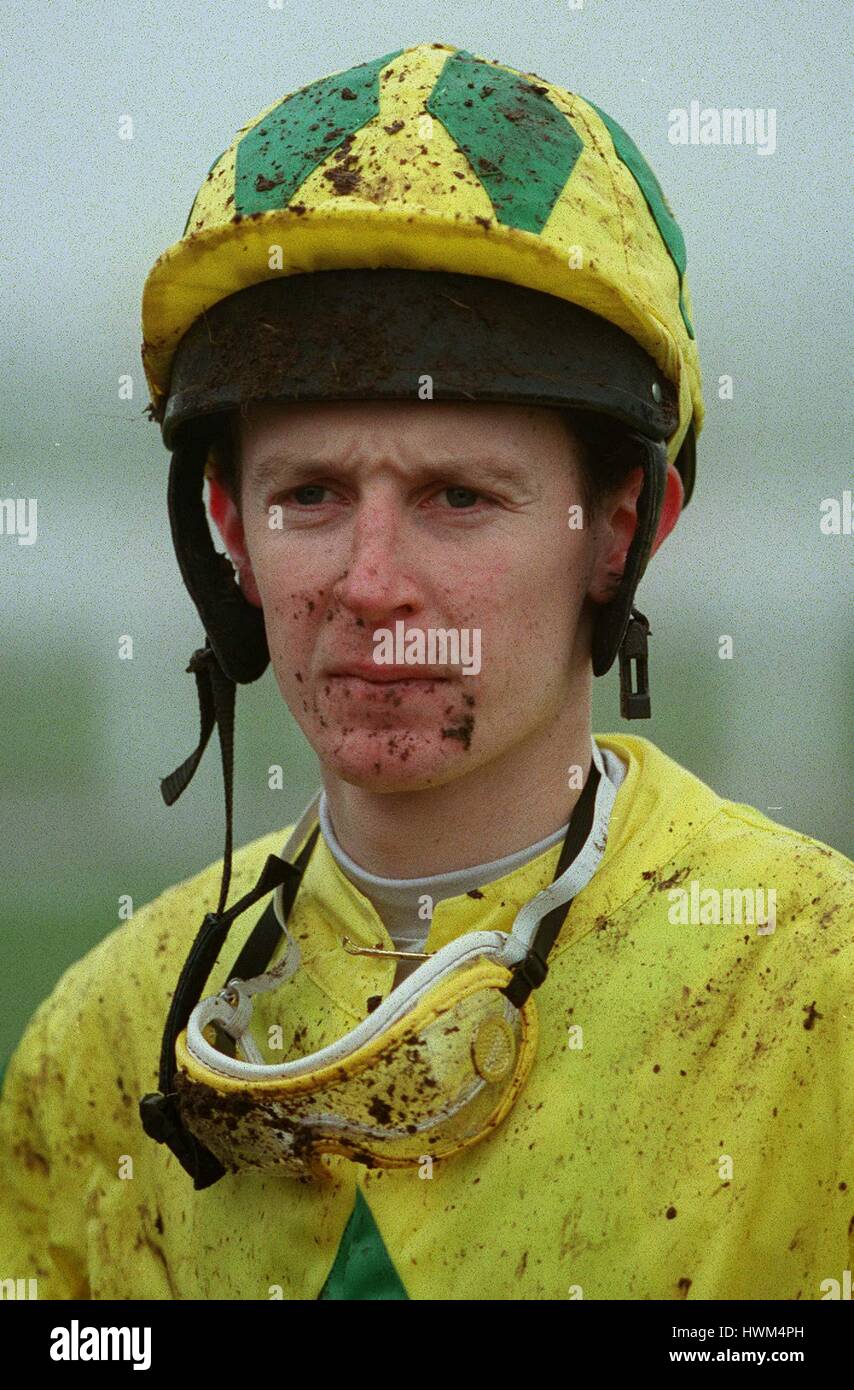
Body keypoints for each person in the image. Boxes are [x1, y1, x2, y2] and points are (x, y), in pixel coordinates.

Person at [1, 42, 850, 1302]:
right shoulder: (98, 1040)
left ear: (623, 528)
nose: (370, 579)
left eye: (459, 496)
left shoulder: (813, 996)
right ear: (228, 533)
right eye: (311, 495)